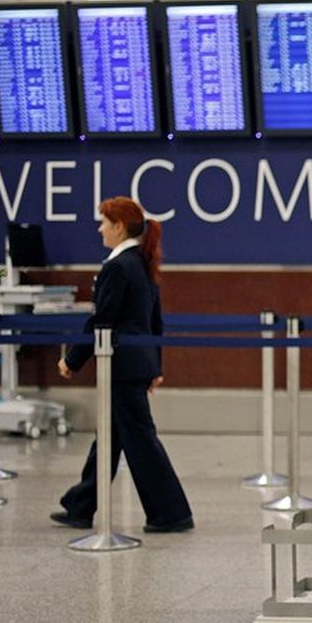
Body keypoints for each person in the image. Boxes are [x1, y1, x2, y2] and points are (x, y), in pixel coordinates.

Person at [50, 197, 194, 533]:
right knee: (110, 438)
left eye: (103, 222)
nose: (100, 229)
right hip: (136, 363)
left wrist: (72, 359)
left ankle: (171, 513)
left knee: (141, 442)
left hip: (122, 367)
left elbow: (103, 319)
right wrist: (155, 365)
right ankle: (80, 506)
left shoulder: (118, 266)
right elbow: (154, 322)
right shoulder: (140, 263)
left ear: (118, 226)